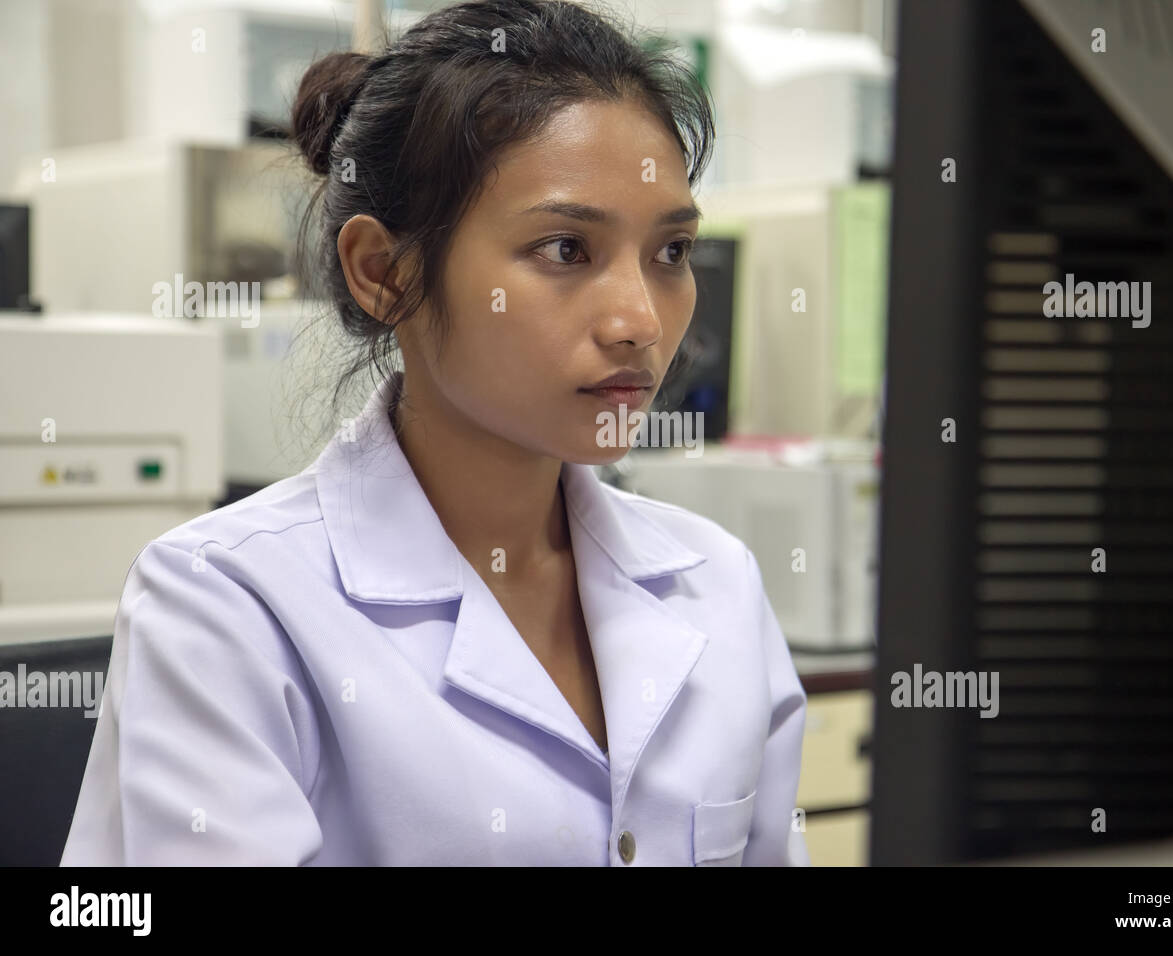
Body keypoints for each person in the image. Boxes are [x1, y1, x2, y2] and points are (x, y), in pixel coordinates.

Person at [61, 0, 810, 866]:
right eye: (566, 249)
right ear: (383, 272)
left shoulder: (716, 585)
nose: (640, 319)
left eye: (670, 254)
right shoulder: (225, 607)